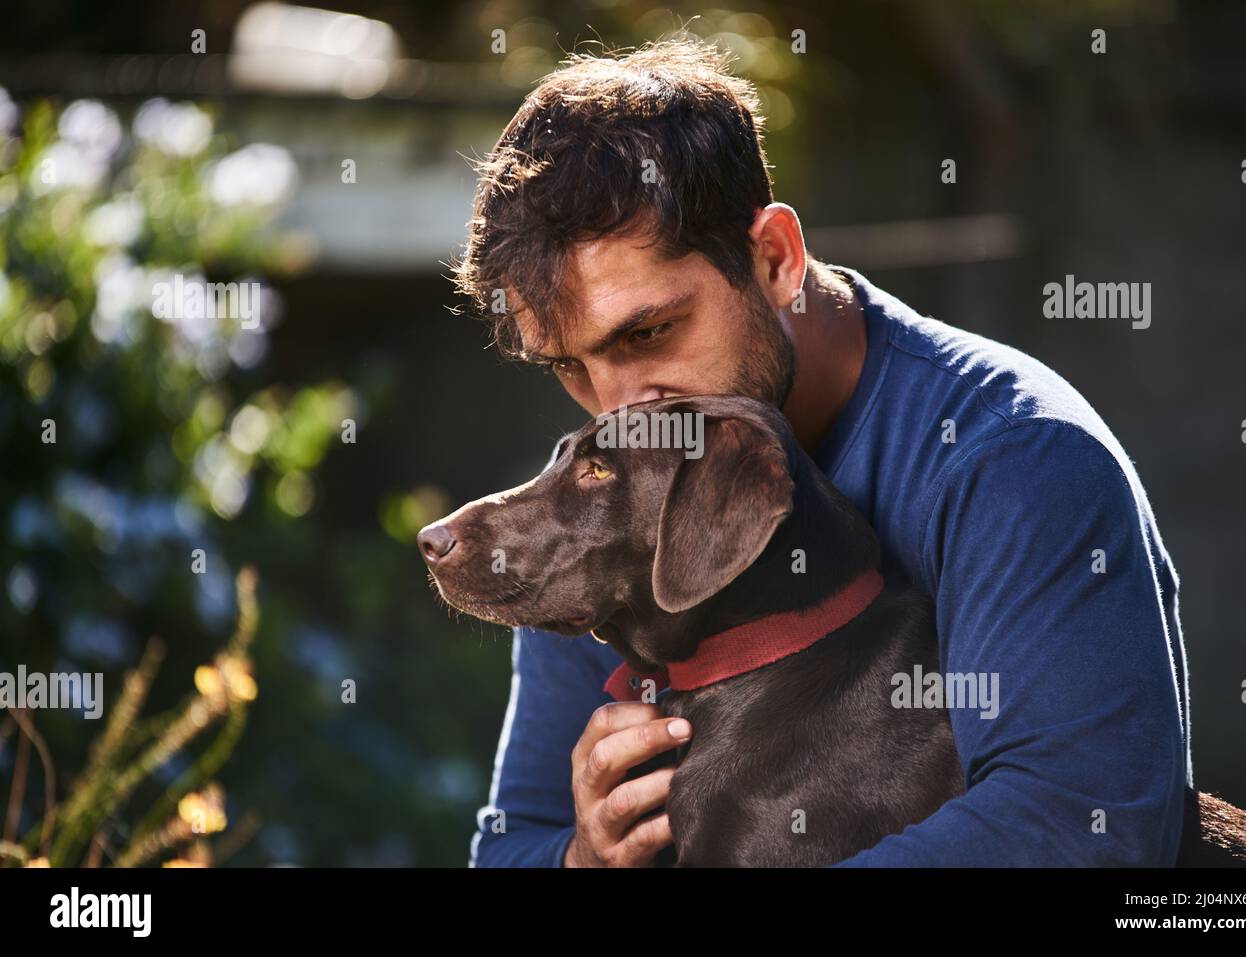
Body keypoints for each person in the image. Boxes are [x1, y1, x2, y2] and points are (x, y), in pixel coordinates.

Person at [452, 37, 1191, 867]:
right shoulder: (604, 509)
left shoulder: (1014, 459)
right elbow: (511, 844)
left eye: (649, 332)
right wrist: (585, 857)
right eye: (571, 368)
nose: (623, 410)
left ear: (775, 259)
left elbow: (1081, 825)